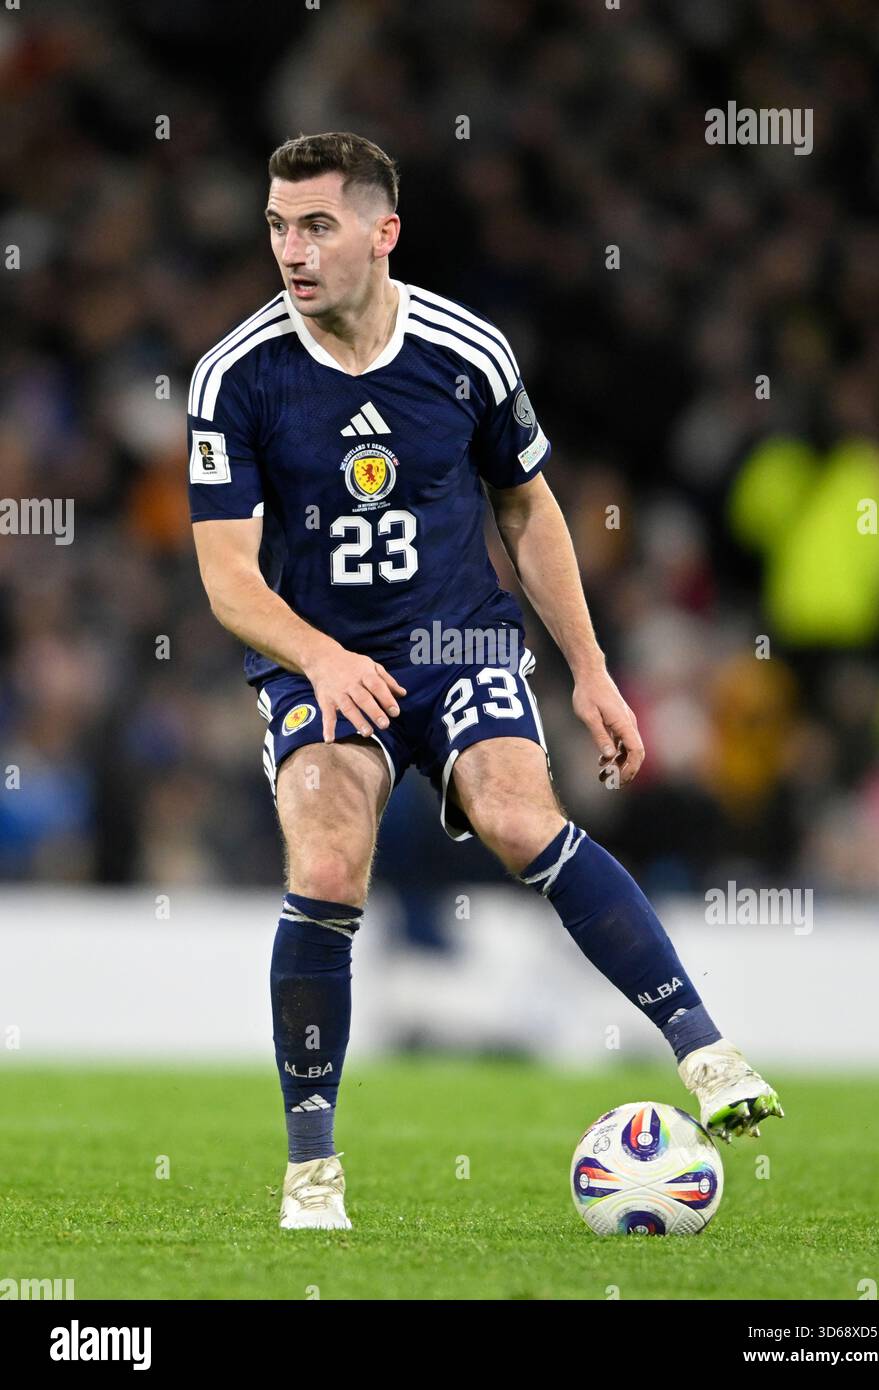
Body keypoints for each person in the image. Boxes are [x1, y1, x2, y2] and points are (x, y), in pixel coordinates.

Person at [187, 131, 782, 1231]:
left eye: (315, 224)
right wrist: (318, 656)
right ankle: (312, 1171)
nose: (290, 249)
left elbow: (528, 507)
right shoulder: (239, 375)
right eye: (276, 225)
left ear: (382, 230)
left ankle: (703, 1048)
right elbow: (225, 574)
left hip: (460, 642)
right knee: (325, 858)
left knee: (520, 816)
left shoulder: (465, 352)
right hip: (320, 656)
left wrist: (593, 671)